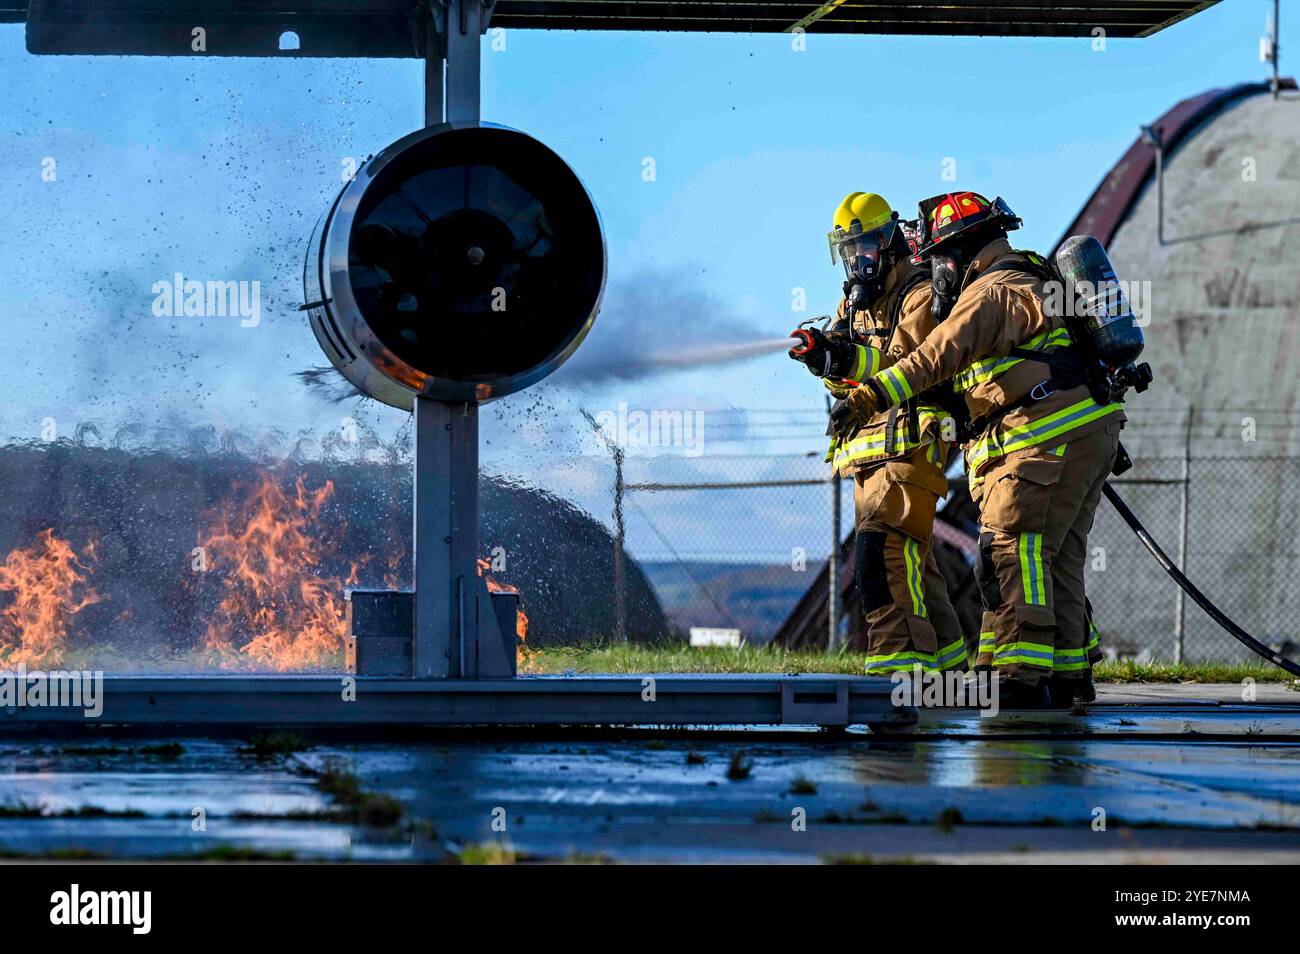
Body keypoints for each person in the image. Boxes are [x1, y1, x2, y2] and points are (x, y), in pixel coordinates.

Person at [832, 191, 1123, 707]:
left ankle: (1018, 677)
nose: (937, 269)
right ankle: (1069, 675)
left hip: (1039, 439)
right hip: (1089, 430)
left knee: (1011, 550)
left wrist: (871, 395)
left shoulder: (989, 294)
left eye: (941, 258)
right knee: (1058, 559)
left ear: (964, 252)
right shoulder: (1033, 277)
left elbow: (932, 358)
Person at [789, 192, 966, 676]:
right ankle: (948, 676)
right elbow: (843, 378)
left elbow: (909, 365)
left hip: (911, 442)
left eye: (865, 247)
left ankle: (898, 677)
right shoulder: (852, 304)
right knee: (916, 569)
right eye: (849, 251)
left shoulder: (918, 293)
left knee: (880, 557)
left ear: (889, 240)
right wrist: (823, 360)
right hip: (871, 452)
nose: (857, 260)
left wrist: (847, 359)